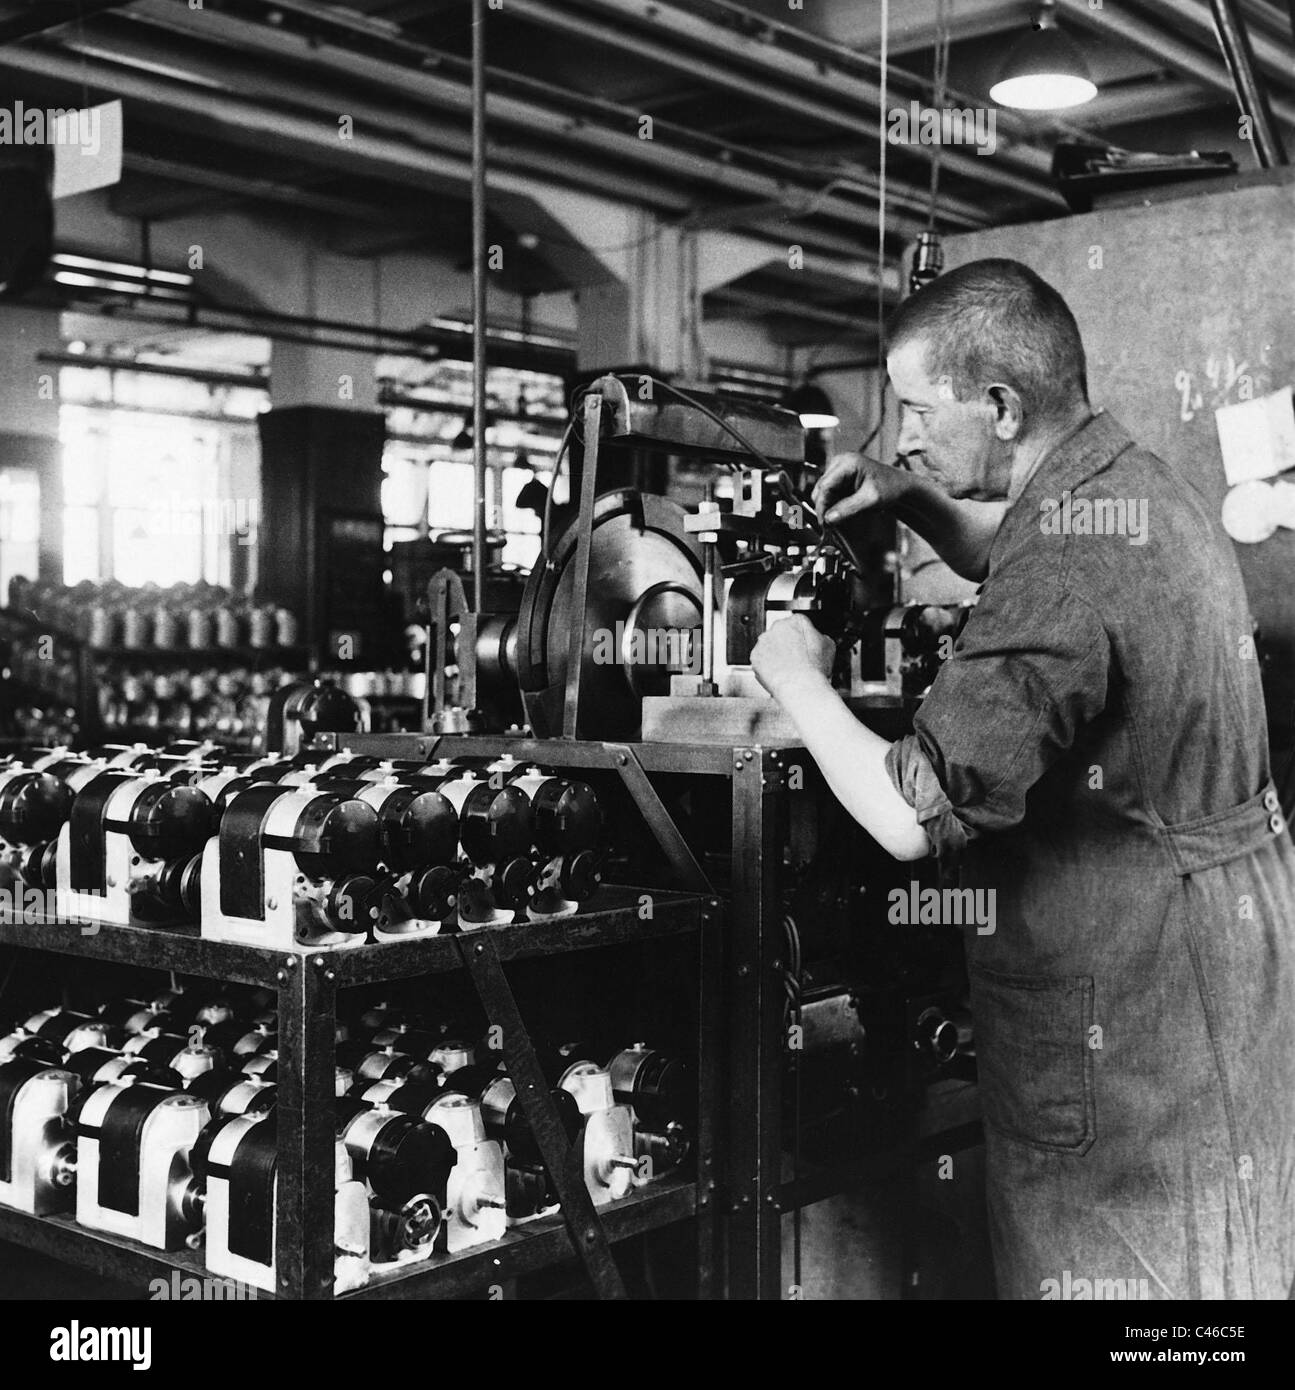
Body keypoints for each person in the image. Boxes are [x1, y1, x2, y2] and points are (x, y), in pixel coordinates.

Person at [750, 258, 1295, 1300]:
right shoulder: (1131, 485)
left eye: (914, 410)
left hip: (1128, 1001)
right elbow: (1027, 552)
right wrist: (910, 498)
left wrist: (792, 677)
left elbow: (911, 812)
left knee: (1115, 1280)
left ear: (998, 405)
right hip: (1220, 958)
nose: (895, 434)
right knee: (1215, 1274)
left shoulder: (1062, 562)